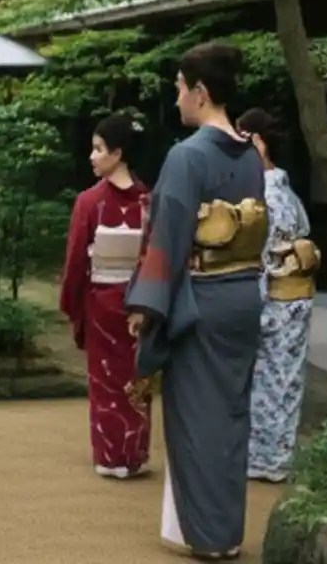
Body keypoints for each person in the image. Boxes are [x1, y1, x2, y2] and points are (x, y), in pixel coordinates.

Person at [124, 41, 266, 560]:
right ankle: (222, 529)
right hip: (243, 296)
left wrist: (146, 306)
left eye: (180, 88)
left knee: (196, 418)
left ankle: (207, 536)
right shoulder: (251, 154)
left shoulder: (187, 156)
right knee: (229, 416)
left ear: (200, 92)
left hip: (199, 300)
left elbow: (167, 237)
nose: (176, 97)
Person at [59, 113, 152, 479]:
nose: (92, 156)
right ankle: (134, 453)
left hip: (101, 301)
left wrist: (72, 304)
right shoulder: (150, 201)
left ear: (118, 153)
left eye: (99, 149)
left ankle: (111, 456)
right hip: (140, 301)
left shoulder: (89, 202)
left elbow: (75, 261)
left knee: (106, 380)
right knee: (136, 377)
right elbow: (156, 258)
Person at [237, 107, 318, 484]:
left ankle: (264, 459)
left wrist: (252, 306)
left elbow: (263, 256)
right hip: (294, 300)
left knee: (268, 380)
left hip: (274, 298)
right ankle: (276, 456)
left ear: (257, 142)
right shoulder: (285, 191)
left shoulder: (265, 196)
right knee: (284, 381)